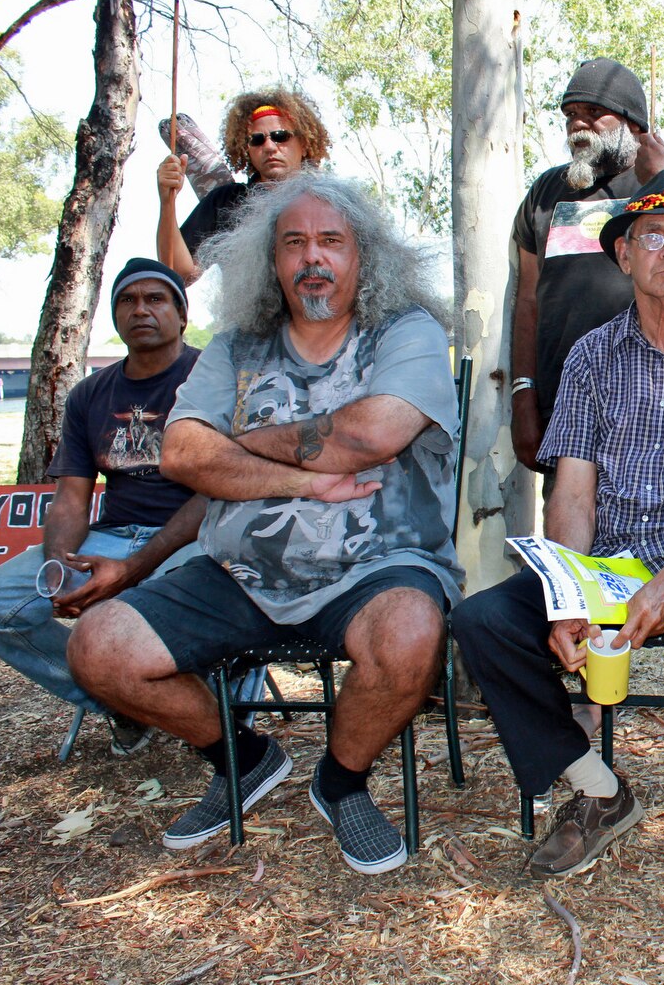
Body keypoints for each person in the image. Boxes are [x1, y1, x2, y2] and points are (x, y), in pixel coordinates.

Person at [67, 173, 462, 876]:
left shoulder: (408, 331)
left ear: (363, 256)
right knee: (100, 647)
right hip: (237, 571)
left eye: (332, 242)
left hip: (377, 566)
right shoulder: (234, 346)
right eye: (294, 243)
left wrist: (240, 437)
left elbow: (372, 433)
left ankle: (340, 782)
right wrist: (304, 475)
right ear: (270, 261)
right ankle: (243, 757)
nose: (314, 258)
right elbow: (183, 451)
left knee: (409, 632)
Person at [454, 173, 664, 918]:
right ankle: (600, 790)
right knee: (482, 621)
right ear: (624, 260)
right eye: (651, 236)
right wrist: (569, 591)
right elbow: (572, 489)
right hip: (611, 563)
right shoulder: (588, 357)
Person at [0, 258, 205, 756]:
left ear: (181, 313)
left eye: (156, 299)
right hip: (111, 533)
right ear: (114, 317)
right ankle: (119, 700)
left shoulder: (212, 378)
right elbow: (72, 495)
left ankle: (185, 705)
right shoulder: (90, 394)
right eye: (127, 301)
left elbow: (220, 492)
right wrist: (57, 568)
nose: (141, 310)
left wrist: (134, 568)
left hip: (194, 538)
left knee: (140, 611)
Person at [509, 57, 664, 479]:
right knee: (575, 535)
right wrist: (523, 395)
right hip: (573, 412)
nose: (578, 126)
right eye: (570, 115)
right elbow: (527, 300)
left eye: (594, 113)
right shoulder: (548, 191)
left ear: (635, 123)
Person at [156, 86, 331, 284]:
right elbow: (177, 274)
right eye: (256, 140)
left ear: (305, 142)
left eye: (281, 136)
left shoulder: (331, 202)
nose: (269, 147)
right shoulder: (225, 202)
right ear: (245, 148)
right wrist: (167, 202)